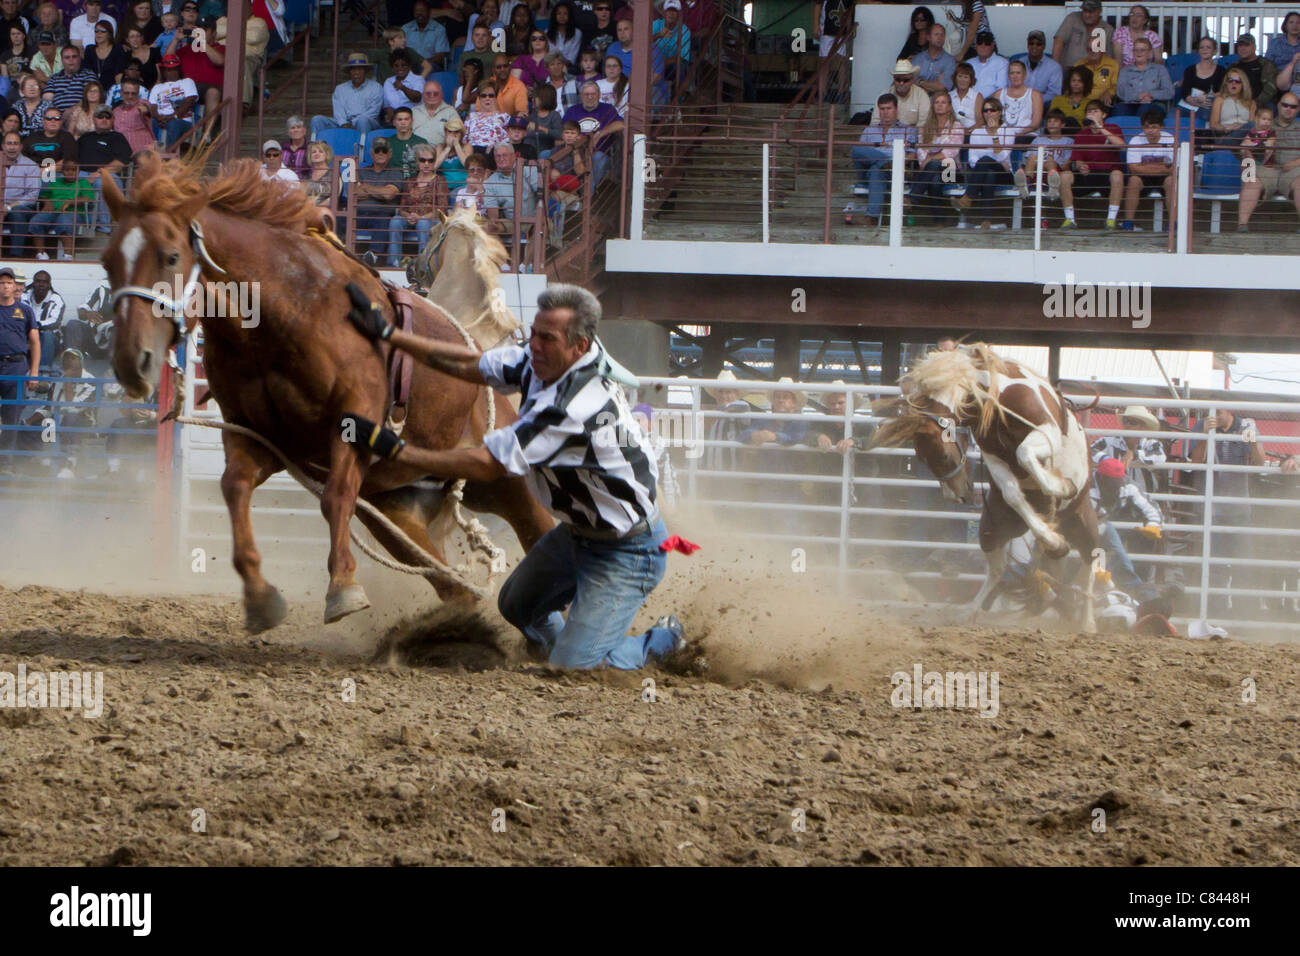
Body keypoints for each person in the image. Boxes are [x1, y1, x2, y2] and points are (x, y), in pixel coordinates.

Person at [341, 283, 686, 671]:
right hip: (579, 534)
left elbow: (488, 464)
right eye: (534, 333)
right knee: (516, 606)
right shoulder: (544, 362)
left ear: (579, 346)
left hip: (627, 550)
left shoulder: (573, 407)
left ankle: (660, 640)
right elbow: (471, 364)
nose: (533, 345)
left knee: (574, 669)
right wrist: (393, 336)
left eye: (547, 338)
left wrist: (395, 450)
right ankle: (568, 649)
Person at [1190, 408, 1266, 617]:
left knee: (1243, 563)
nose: (1212, 415)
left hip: (1239, 508)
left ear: (1229, 411)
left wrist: (1252, 441)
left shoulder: (1246, 425)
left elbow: (1260, 464)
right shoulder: (1202, 425)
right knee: (1214, 565)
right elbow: (1195, 464)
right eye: (1208, 411)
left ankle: (1243, 613)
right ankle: (1215, 613)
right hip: (1212, 509)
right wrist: (1205, 436)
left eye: (1218, 411)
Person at [1091, 456, 1164, 597]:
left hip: (1110, 524)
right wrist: (1096, 564)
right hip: (1085, 529)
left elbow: (1151, 508)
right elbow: (1091, 528)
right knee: (1108, 541)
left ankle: (1136, 587)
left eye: (1119, 484)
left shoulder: (1127, 485)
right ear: (1101, 479)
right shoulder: (1088, 488)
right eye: (1112, 485)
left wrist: (1153, 525)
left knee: (1140, 540)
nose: (1117, 489)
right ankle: (1133, 588)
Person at [847, 92, 916, 228]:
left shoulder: (908, 130)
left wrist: (899, 162)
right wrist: (888, 160)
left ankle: (872, 217)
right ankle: (886, 162)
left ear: (896, 109)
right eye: (882, 109)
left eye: (888, 108)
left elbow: (912, 155)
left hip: (893, 173)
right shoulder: (869, 130)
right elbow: (860, 154)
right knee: (856, 149)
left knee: (876, 170)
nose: (885, 112)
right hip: (866, 174)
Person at [1237, 92, 1300, 231]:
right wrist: (1246, 155)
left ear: (1298, 109)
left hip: (1293, 171)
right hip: (1266, 169)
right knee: (1251, 182)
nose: (1288, 108)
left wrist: (1295, 163)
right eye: (1285, 105)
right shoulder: (1261, 124)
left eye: (1293, 106)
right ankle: (1242, 227)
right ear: (1278, 105)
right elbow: (1240, 146)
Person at [1061, 98, 1126, 229]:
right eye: (1089, 111)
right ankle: (1070, 219)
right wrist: (1080, 166)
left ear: (1104, 115)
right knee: (1064, 176)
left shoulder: (1113, 128)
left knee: (1118, 175)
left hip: (1107, 175)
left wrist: (1101, 128)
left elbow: (1122, 146)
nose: (1091, 114)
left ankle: (1111, 220)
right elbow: (1077, 159)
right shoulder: (1081, 135)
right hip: (1088, 175)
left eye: (1095, 111)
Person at [953, 95, 1013, 230]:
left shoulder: (1008, 131)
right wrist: (991, 158)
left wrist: (994, 135)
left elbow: (1004, 156)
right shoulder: (977, 132)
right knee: (988, 173)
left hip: (1004, 174)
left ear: (999, 112)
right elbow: (972, 160)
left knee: (985, 162)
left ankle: (967, 197)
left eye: (992, 110)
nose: (989, 113)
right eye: (986, 111)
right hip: (984, 172)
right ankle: (986, 220)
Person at [0, 265, 39, 470]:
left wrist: (34, 371)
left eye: (8, 283)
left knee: (12, 417)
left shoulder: (25, 310)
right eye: (2, 283)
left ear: (15, 286)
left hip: (16, 366)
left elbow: (35, 342)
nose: (5, 287)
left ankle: (5, 463)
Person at [388, 142, 447, 266]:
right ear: (417, 161)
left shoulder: (440, 181)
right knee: (395, 221)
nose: (426, 164)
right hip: (411, 218)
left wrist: (421, 217)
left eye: (430, 161)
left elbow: (442, 208)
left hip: (431, 219)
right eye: (422, 160)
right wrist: (408, 216)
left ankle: (424, 264)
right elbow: (402, 207)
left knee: (422, 224)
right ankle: (394, 262)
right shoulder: (410, 181)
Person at [75, 103, 129, 233]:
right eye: (100, 116)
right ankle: (76, 224)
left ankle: (103, 226)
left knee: (101, 183)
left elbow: (121, 162)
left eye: (107, 116)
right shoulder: (85, 137)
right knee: (62, 181)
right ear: (94, 119)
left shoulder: (117, 137)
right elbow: (73, 159)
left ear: (112, 120)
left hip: (108, 175)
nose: (104, 119)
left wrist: (99, 173)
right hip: (82, 173)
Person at [910, 89, 962, 224]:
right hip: (931, 171)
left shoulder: (957, 126)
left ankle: (913, 198)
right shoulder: (924, 128)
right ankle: (940, 220)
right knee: (934, 180)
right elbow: (921, 152)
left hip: (950, 171)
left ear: (950, 107)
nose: (939, 105)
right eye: (937, 102)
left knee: (933, 165)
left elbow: (950, 152)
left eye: (943, 102)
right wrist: (929, 159)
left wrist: (930, 157)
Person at [30, 156, 94, 259]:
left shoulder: (83, 183)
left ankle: (68, 256)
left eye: (74, 170)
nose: (70, 172)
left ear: (78, 171)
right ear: (62, 171)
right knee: (37, 220)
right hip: (53, 211)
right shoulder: (56, 182)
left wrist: (70, 202)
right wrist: (47, 202)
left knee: (63, 221)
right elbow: (43, 196)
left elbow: (88, 198)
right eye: (67, 170)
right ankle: (41, 255)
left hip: (73, 213)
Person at [1119, 108, 1173, 232]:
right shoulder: (1135, 140)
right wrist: (1161, 167)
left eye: (1154, 127)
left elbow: (1173, 169)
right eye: (1147, 127)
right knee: (1133, 180)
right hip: (1143, 178)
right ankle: (1128, 223)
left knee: (1171, 181)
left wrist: (1144, 167)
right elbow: (1133, 169)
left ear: (1161, 127)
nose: (1150, 130)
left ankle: (1173, 224)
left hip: (1163, 178)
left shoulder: (1171, 140)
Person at [1091, 405, 1166, 492]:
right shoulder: (1110, 440)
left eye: (1133, 422)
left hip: (1144, 496)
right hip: (1115, 495)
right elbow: (1090, 451)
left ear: (1143, 427)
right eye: (1125, 421)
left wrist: (1134, 454)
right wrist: (1106, 459)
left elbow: (1160, 457)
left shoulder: (1151, 444)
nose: (1127, 425)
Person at [355, 136, 404, 265]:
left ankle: (372, 256)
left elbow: (389, 194)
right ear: (371, 153)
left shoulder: (396, 172)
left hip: (380, 215)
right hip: (358, 214)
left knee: (383, 219)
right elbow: (355, 193)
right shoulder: (362, 171)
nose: (381, 153)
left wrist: (366, 187)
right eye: (377, 151)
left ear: (390, 154)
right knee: (341, 219)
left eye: (384, 150)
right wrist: (379, 192)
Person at [310, 52, 384, 138]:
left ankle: (361, 150)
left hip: (366, 123)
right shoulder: (340, 89)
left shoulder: (376, 87)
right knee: (317, 120)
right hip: (344, 123)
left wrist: (353, 122)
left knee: (362, 121)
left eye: (360, 69)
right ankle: (317, 148)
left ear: (365, 71)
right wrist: (343, 123)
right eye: (353, 70)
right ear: (349, 72)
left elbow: (374, 112)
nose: (356, 73)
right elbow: (338, 111)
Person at [1018, 108, 1073, 219]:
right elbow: (1030, 159)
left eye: (1055, 121)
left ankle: (1053, 187)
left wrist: (1051, 163)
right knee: (1033, 156)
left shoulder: (1068, 141)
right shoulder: (1039, 139)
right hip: (1038, 173)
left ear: (1063, 125)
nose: (1052, 123)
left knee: (1050, 161)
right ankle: (1026, 184)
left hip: (1057, 173)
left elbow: (1067, 163)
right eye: (1049, 121)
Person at [564, 78, 622, 185]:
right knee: (546, 154)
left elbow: (621, 124)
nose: (590, 97)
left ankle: (588, 196)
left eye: (593, 94)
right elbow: (562, 132)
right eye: (586, 94)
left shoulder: (607, 108)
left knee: (598, 158)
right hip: (574, 150)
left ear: (599, 95)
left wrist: (600, 134)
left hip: (598, 153)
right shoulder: (572, 110)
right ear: (581, 96)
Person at [483, 140, 538, 236]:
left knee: (540, 228)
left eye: (505, 155)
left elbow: (543, 193)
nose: (501, 159)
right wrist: (493, 221)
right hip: (511, 222)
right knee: (490, 227)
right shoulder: (491, 181)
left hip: (535, 219)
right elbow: (492, 209)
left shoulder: (529, 170)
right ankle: (498, 251)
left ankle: (531, 251)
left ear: (514, 156)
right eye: (498, 156)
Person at [1, 129, 40, 256]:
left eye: (15, 143)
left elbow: (32, 195)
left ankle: (15, 255)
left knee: (18, 213)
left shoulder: (31, 166)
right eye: (9, 143)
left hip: (20, 206)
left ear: (21, 146)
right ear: (3, 145)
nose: (12, 147)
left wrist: (8, 207)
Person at [147, 52, 196, 146]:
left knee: (174, 123)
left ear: (179, 69)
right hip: (160, 119)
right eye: (168, 69)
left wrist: (172, 117)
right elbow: (152, 107)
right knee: (149, 122)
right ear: (164, 71)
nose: (172, 72)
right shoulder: (157, 87)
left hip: (182, 120)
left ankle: (169, 156)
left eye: (174, 69)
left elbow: (189, 102)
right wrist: (159, 118)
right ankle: (151, 152)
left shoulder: (187, 82)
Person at [1116, 38, 1173, 116]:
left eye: (1142, 50)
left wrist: (1150, 95)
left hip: (1154, 104)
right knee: (1119, 110)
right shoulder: (1125, 70)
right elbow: (1120, 91)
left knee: (1145, 110)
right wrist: (1138, 96)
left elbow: (1169, 92)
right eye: (1136, 50)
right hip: (1130, 103)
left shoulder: (1160, 69)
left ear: (1149, 52)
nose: (1139, 52)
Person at [20, 268, 63, 368]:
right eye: (38, 281)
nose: (41, 284)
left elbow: (54, 322)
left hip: (49, 341)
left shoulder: (56, 299)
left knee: (47, 334)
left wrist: (35, 326)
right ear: (33, 283)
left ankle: (43, 373)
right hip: (27, 338)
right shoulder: (24, 296)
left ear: (49, 285)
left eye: (45, 282)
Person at [1054, 0, 1114, 69]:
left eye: (1091, 12)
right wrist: (1056, 68)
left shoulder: (1107, 29)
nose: (1087, 15)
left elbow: (1108, 56)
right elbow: (1058, 41)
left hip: (1094, 72)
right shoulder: (1072, 18)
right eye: (1085, 11)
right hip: (1069, 68)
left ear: (1099, 11)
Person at [994, 59, 1043, 141]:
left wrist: (1018, 135)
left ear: (1025, 75)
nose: (1015, 76)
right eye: (1012, 73)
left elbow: (1035, 124)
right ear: (1008, 76)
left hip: (1026, 136)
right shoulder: (998, 94)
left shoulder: (1035, 95)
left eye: (1018, 73)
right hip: (1002, 135)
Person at [1180, 36, 1224, 119]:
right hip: (1190, 104)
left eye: (1208, 47)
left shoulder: (1221, 71)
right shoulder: (1190, 70)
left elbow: (1224, 91)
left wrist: (1208, 96)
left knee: (1205, 115)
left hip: (1210, 103)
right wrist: (1194, 101)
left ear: (1214, 51)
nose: (1204, 50)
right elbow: (1185, 91)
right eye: (1201, 47)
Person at [45, 45, 98, 113]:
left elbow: (92, 97)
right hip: (58, 119)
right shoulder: (54, 78)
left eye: (74, 56)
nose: (71, 60)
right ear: (62, 60)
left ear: (79, 58)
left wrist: (70, 112)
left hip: (81, 115)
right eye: (67, 57)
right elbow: (47, 99)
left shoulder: (88, 74)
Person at [1210, 66, 1257, 144]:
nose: (1233, 83)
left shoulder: (1251, 103)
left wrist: (1240, 126)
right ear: (1226, 83)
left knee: (1253, 125)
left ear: (1243, 84)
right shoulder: (1219, 100)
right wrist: (1226, 128)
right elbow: (1213, 124)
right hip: (1226, 135)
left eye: (1237, 81)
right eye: (1230, 80)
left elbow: (1251, 125)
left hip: (1245, 136)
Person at [1012, 29, 1062, 101]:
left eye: (1038, 44)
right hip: (1018, 101)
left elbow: (1054, 94)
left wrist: (1034, 101)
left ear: (1044, 46)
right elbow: (1011, 86)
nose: (1034, 47)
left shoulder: (1054, 67)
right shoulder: (1018, 63)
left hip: (1042, 104)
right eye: (1031, 43)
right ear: (1027, 45)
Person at [652, 0, 690, 90]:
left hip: (670, 64)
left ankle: (677, 99)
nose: (671, 14)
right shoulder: (656, 24)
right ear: (664, 12)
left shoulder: (684, 30)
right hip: (653, 62)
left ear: (679, 14)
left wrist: (663, 63)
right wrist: (658, 35)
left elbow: (682, 57)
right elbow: (644, 43)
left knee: (680, 66)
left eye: (674, 11)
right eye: (669, 10)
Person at [382, 48, 424, 127]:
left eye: (403, 65)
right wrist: (391, 113)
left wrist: (403, 88)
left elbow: (417, 98)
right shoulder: (388, 82)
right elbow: (387, 105)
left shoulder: (418, 79)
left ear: (409, 66)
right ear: (392, 67)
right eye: (396, 66)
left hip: (414, 120)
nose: (400, 68)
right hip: (394, 120)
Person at [111, 77, 154, 155]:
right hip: (121, 153)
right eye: (127, 93)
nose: (130, 96)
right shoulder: (115, 111)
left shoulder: (142, 104)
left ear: (138, 94)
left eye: (133, 93)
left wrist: (144, 110)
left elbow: (147, 108)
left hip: (142, 152)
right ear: (121, 93)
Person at [1233, 34, 1277, 109]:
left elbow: (1270, 89)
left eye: (1246, 45)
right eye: (1240, 45)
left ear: (1254, 47)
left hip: (1261, 105)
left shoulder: (1265, 64)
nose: (1243, 48)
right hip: (1237, 105)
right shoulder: (1233, 67)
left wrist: (1255, 104)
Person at [402, 0, 449, 70]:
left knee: (425, 67)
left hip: (431, 66)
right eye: (416, 11)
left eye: (422, 10)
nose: (419, 13)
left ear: (429, 12)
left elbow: (440, 57)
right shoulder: (405, 28)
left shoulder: (439, 29)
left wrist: (421, 63)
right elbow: (399, 51)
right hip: (409, 66)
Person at [884, 59, 930, 128]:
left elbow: (923, 124)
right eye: (898, 80)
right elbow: (875, 123)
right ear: (894, 79)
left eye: (906, 80)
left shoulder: (921, 96)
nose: (901, 83)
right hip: (889, 135)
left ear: (912, 80)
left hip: (912, 136)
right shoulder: (884, 95)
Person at [912, 23, 956, 95]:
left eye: (942, 35)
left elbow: (942, 87)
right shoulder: (918, 58)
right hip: (917, 101)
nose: (939, 38)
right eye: (936, 34)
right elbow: (910, 83)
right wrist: (933, 85)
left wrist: (920, 82)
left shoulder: (950, 61)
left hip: (938, 103)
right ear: (928, 37)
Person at [81, 19, 125, 88]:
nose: (99, 34)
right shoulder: (89, 49)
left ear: (109, 34)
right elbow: (86, 72)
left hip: (111, 88)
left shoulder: (117, 49)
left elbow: (119, 73)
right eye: (96, 31)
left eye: (102, 31)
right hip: (92, 89)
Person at [1077, 40, 1120, 109]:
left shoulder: (1113, 64)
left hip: (1102, 102)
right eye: (1090, 49)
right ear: (1086, 50)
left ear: (1102, 50)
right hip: (1082, 101)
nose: (1093, 51)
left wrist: (1109, 92)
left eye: (1096, 48)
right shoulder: (1079, 65)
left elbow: (1116, 85)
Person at [387, 105, 427, 177]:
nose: (403, 123)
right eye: (399, 119)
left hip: (416, 183)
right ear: (394, 122)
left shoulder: (422, 142)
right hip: (392, 182)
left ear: (412, 121)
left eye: (406, 119)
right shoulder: (387, 143)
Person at [433, 113, 469, 193]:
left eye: (456, 132)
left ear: (461, 134)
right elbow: (434, 166)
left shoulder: (467, 147)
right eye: (450, 132)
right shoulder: (440, 147)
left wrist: (456, 145)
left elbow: (468, 165)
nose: (453, 135)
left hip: (463, 186)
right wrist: (448, 148)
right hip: (444, 187)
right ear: (446, 133)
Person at [965, 30, 1007, 100]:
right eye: (980, 42)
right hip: (968, 103)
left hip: (992, 105)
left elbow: (1001, 90)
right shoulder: (969, 63)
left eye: (987, 43)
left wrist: (983, 103)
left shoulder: (1002, 63)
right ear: (976, 45)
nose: (983, 46)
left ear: (993, 45)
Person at [488, 53, 529, 117]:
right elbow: (479, 111)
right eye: (498, 67)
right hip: (489, 124)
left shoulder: (519, 86)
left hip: (511, 125)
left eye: (505, 66)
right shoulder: (487, 85)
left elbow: (521, 114)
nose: (502, 69)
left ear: (510, 67)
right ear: (493, 70)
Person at [547, 1, 582, 68]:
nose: (562, 16)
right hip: (550, 68)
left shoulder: (577, 33)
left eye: (565, 14)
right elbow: (547, 56)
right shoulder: (547, 33)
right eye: (559, 13)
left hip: (568, 68)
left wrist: (560, 68)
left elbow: (572, 58)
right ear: (554, 15)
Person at [949, 61, 982, 130]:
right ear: (955, 78)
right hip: (953, 134)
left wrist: (967, 132)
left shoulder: (977, 96)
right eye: (960, 76)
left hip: (972, 133)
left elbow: (980, 121)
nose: (962, 80)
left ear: (971, 80)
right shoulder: (949, 96)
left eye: (966, 77)